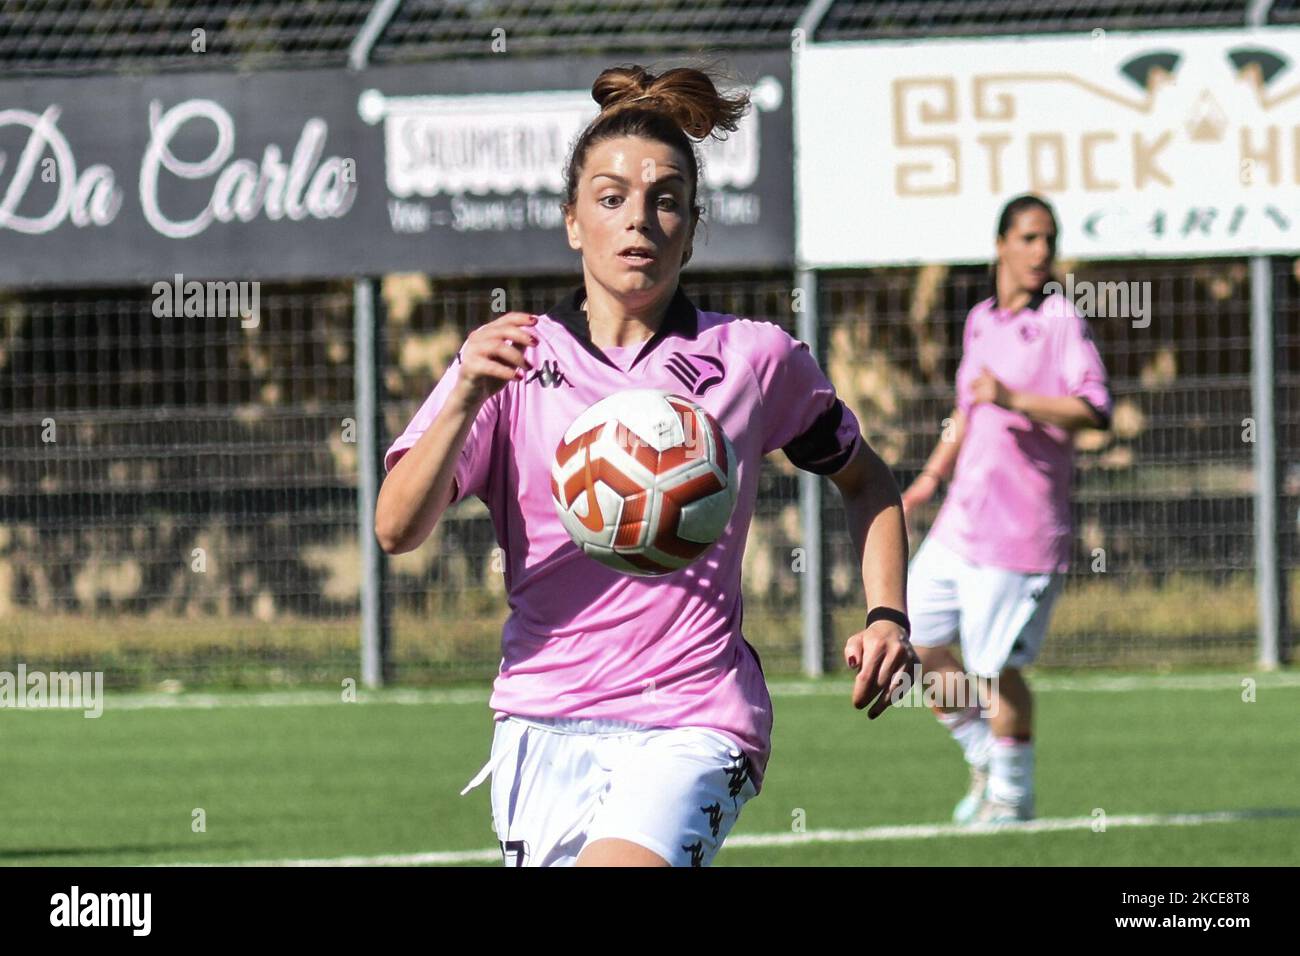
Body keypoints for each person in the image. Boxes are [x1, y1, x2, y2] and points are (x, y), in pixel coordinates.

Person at [375, 63, 915, 867]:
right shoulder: (511, 362)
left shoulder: (753, 360)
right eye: (611, 197)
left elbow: (866, 480)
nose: (641, 220)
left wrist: (887, 617)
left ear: (693, 229)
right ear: (571, 221)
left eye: (666, 199)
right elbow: (395, 528)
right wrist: (459, 396)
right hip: (541, 718)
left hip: (695, 720)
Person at [900, 194, 1112, 824]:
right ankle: (984, 752)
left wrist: (1017, 397)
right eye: (1028, 238)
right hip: (959, 524)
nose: (1040, 251)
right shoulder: (980, 321)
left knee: (996, 673)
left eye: (1048, 239)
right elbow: (967, 412)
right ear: (1001, 245)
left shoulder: (1062, 323)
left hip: (1020, 536)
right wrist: (930, 478)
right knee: (915, 644)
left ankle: (1013, 802)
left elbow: (1094, 408)